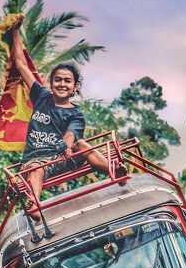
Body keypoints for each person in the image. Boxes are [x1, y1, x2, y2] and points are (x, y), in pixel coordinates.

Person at [9, 16, 127, 204]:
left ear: (75, 87)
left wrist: (65, 145)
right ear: (51, 82)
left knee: (81, 144)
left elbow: (71, 135)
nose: (62, 84)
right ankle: (34, 203)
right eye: (58, 80)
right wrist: (15, 32)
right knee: (34, 169)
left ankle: (113, 170)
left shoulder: (75, 113)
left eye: (67, 81)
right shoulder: (41, 95)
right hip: (36, 161)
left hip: (63, 157)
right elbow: (21, 65)